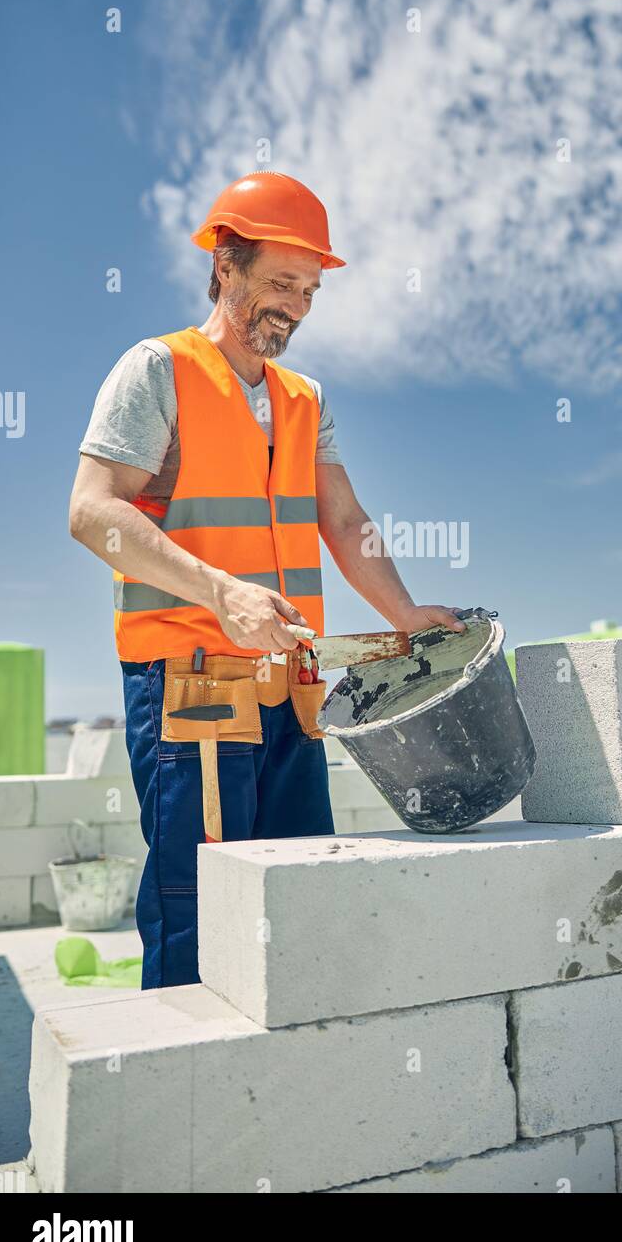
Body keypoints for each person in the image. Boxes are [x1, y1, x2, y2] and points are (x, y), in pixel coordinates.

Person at [69, 170, 463, 989]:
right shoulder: (157, 370)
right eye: (282, 282)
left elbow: (346, 522)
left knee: (294, 909)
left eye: (312, 288)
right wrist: (222, 592)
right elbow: (92, 512)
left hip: (293, 691)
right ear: (226, 265)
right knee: (201, 918)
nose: (298, 304)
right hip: (194, 691)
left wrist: (405, 611)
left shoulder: (304, 399)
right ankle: (180, 1093)